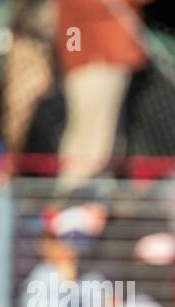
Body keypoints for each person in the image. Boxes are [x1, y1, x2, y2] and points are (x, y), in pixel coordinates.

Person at [54, 0, 152, 192]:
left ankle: (92, 198)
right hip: (97, 59)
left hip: (99, 58)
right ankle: (74, 198)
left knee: (103, 139)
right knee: (93, 139)